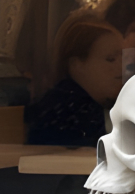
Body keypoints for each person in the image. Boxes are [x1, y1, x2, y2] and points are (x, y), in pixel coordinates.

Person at [25, 15, 126, 146]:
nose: (121, 67)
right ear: (77, 65)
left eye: (124, 58)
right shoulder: (74, 113)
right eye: (110, 59)